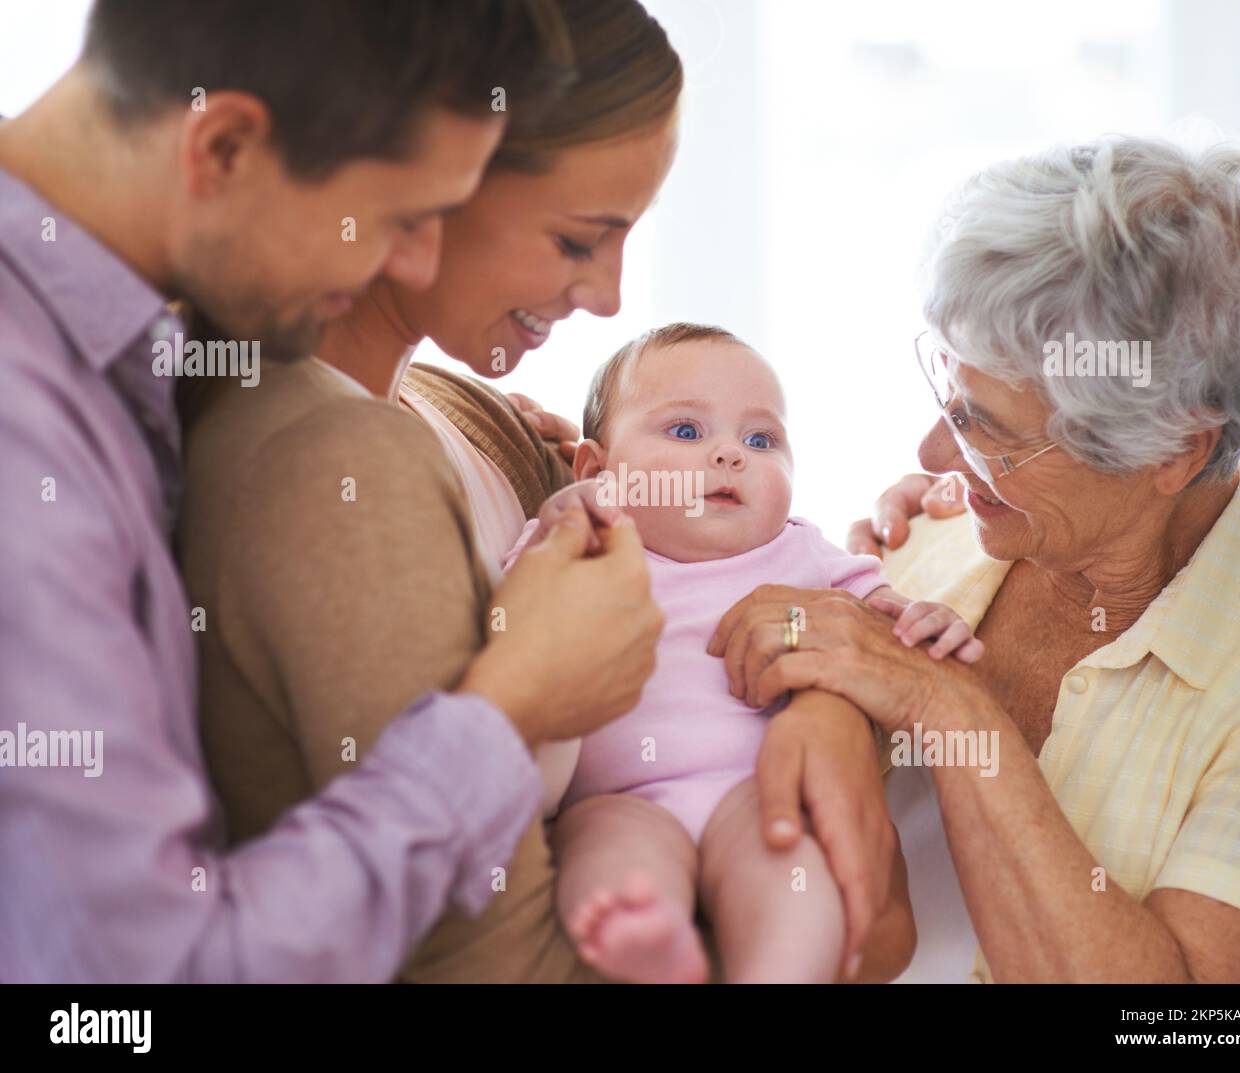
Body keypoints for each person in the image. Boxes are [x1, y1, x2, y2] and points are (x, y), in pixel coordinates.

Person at [184, 0, 903, 983]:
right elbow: (487, 951)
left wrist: (834, 709)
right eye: (576, 239)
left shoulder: (465, 411)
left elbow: (719, 579)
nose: (609, 295)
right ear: (432, 182)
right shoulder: (337, 461)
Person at [0, 0, 659, 983]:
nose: (416, 267)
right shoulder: (29, 444)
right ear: (222, 146)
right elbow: (137, 983)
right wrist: (507, 704)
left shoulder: (122, 349)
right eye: (398, 219)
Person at [711, 137, 1240, 982]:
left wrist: (947, 709)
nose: (931, 452)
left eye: (992, 429)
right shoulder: (936, 534)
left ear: (1175, 449)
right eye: (952, 400)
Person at [518, 323, 986, 982]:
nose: (730, 455)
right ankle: (650, 945)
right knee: (603, 864)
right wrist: (558, 522)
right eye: (685, 431)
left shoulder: (805, 551)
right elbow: (516, 609)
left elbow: (886, 623)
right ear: (598, 469)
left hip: (760, 791)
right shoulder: (582, 539)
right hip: (620, 795)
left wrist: (929, 620)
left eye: (760, 439)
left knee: (794, 878)